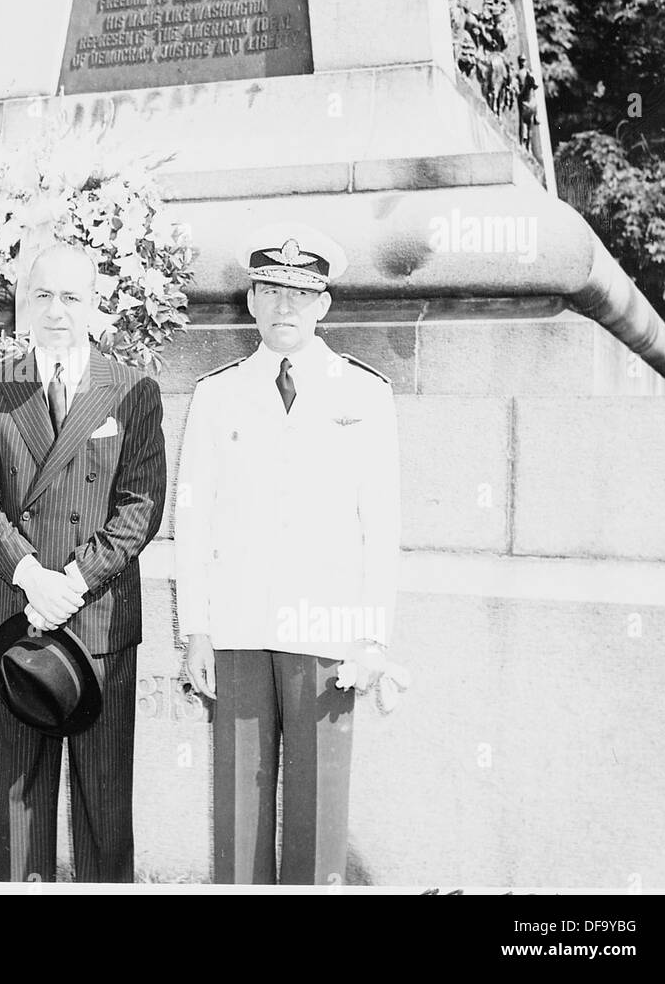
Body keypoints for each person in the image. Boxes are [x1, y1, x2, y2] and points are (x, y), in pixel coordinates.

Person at [173, 223, 400, 885]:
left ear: (324, 304)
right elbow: (193, 519)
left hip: (328, 636)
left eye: (301, 293)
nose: (285, 307)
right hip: (239, 627)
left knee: (318, 813)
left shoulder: (364, 393)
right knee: (240, 812)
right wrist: (197, 630)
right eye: (271, 289)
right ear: (250, 299)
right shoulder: (217, 394)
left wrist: (373, 637)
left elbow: (380, 526)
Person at [0, 241, 167, 883]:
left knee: (104, 801)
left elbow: (141, 507)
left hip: (99, 617)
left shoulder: (133, 389)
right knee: (20, 797)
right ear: (25, 302)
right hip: (22, 620)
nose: (56, 311)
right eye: (42, 295)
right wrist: (31, 578)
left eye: (71, 297)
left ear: (95, 304)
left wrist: (71, 582)